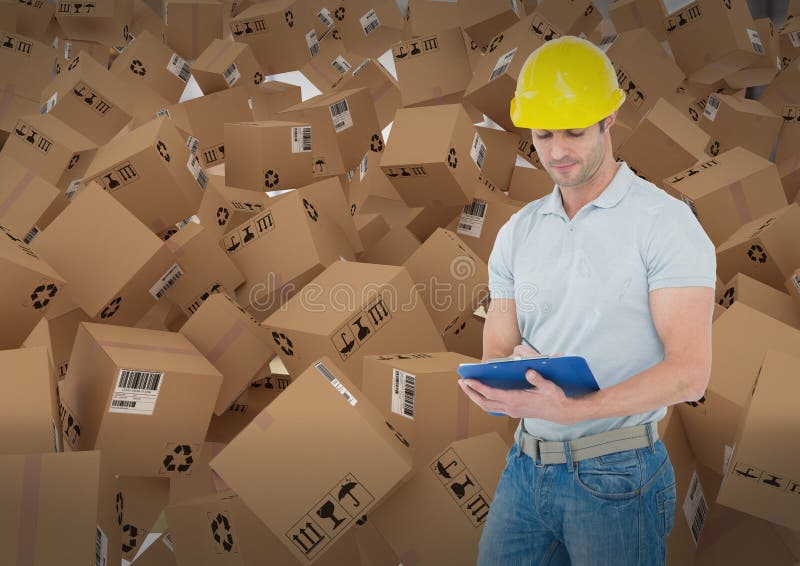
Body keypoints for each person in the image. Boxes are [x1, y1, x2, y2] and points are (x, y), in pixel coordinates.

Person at [458, 36, 717, 565]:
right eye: (544, 133)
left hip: (618, 478)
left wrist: (574, 409)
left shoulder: (664, 225)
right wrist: (498, 386)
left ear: (609, 121)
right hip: (525, 469)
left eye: (574, 132)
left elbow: (690, 373)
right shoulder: (518, 231)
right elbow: (500, 345)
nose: (556, 151)